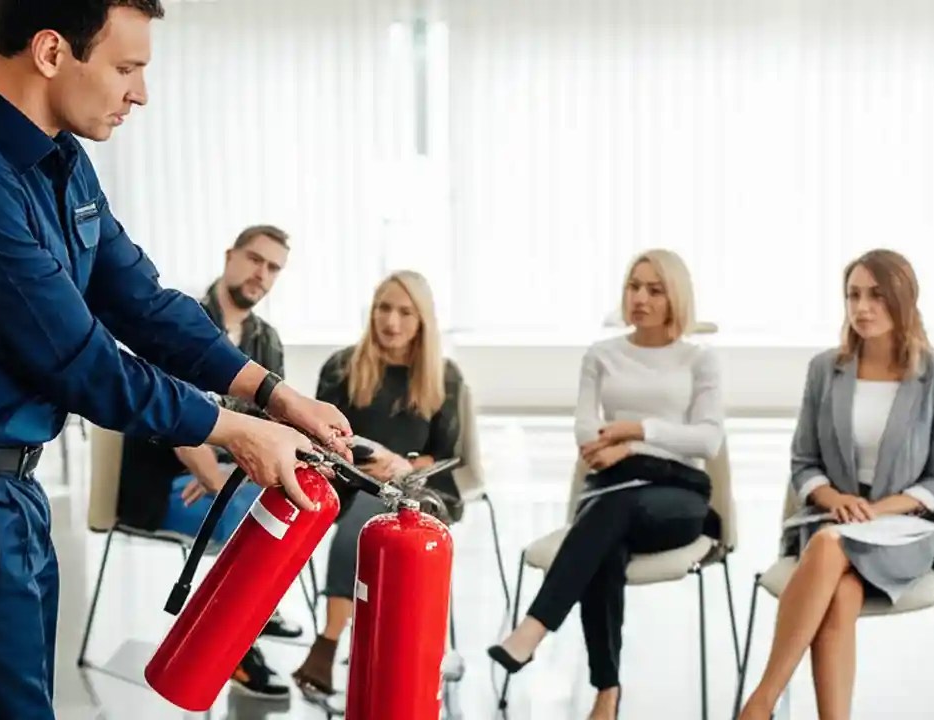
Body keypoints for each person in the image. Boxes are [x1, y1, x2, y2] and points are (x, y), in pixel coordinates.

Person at [0, 4, 350, 719]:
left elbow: (140, 299)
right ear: (51, 51)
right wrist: (234, 431)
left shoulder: (59, 161)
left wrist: (274, 396)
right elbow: (79, 361)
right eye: (126, 68)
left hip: (2, 491)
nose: (139, 92)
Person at [488, 249, 724, 720]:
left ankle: (533, 629)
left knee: (609, 516)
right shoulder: (602, 355)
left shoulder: (699, 360)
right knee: (606, 547)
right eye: (634, 286)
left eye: (654, 289)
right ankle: (607, 692)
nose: (640, 297)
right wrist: (618, 446)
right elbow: (584, 430)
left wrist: (635, 435)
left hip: (677, 494)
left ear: (675, 296)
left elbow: (708, 439)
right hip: (613, 488)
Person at [737, 249, 934, 720]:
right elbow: (803, 462)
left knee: (826, 547)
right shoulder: (826, 369)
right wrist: (837, 499)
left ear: (905, 300)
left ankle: (760, 704)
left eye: (877, 296)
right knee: (839, 591)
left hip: (905, 528)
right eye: (853, 295)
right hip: (833, 515)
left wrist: (875, 511)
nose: (862, 307)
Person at [118, 223, 300, 699]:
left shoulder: (267, 340)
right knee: (248, 516)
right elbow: (176, 421)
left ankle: (249, 622)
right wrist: (217, 479)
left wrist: (226, 478)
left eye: (273, 268)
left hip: (223, 479)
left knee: (282, 508)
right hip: (161, 483)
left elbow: (272, 431)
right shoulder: (181, 321)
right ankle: (241, 647)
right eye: (255, 259)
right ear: (229, 256)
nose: (262, 273)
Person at [291, 270, 466, 700]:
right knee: (365, 511)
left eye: (405, 312)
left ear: (422, 320)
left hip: (419, 487)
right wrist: (365, 467)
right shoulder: (342, 367)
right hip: (352, 482)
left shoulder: (443, 376)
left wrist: (398, 465)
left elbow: (442, 455)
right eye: (384, 309)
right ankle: (349, 642)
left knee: (374, 514)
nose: (392, 321)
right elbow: (323, 440)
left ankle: (329, 642)